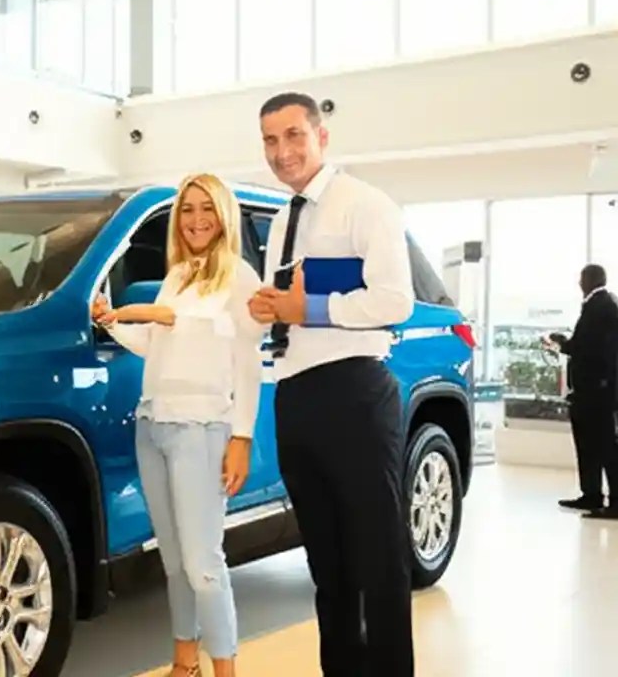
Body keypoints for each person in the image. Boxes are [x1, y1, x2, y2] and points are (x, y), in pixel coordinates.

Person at [246, 92, 416, 677]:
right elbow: (292, 304)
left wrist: (307, 307)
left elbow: (396, 299)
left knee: (379, 561)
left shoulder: (364, 204)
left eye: (293, 135)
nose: (282, 151)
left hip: (355, 395)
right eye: (270, 140)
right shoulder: (279, 220)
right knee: (327, 565)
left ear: (321, 137)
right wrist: (271, 307)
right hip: (296, 395)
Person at [91, 173, 267, 677]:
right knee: (173, 562)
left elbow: (247, 364)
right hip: (154, 426)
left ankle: (225, 671)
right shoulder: (178, 276)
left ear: (224, 216)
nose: (195, 220)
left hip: (201, 430)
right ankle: (184, 663)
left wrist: (240, 437)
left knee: (203, 565)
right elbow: (155, 344)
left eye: (206, 209)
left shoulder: (238, 277)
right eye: (187, 210)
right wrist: (113, 322)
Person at [545, 263, 618, 520]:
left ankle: (612, 501)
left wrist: (564, 344)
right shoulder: (600, 305)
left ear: (590, 280)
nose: (579, 282)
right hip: (592, 390)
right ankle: (592, 495)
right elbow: (587, 345)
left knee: (604, 446)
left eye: (582, 278)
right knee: (589, 444)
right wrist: (566, 344)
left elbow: (597, 350)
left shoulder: (601, 308)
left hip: (595, 392)